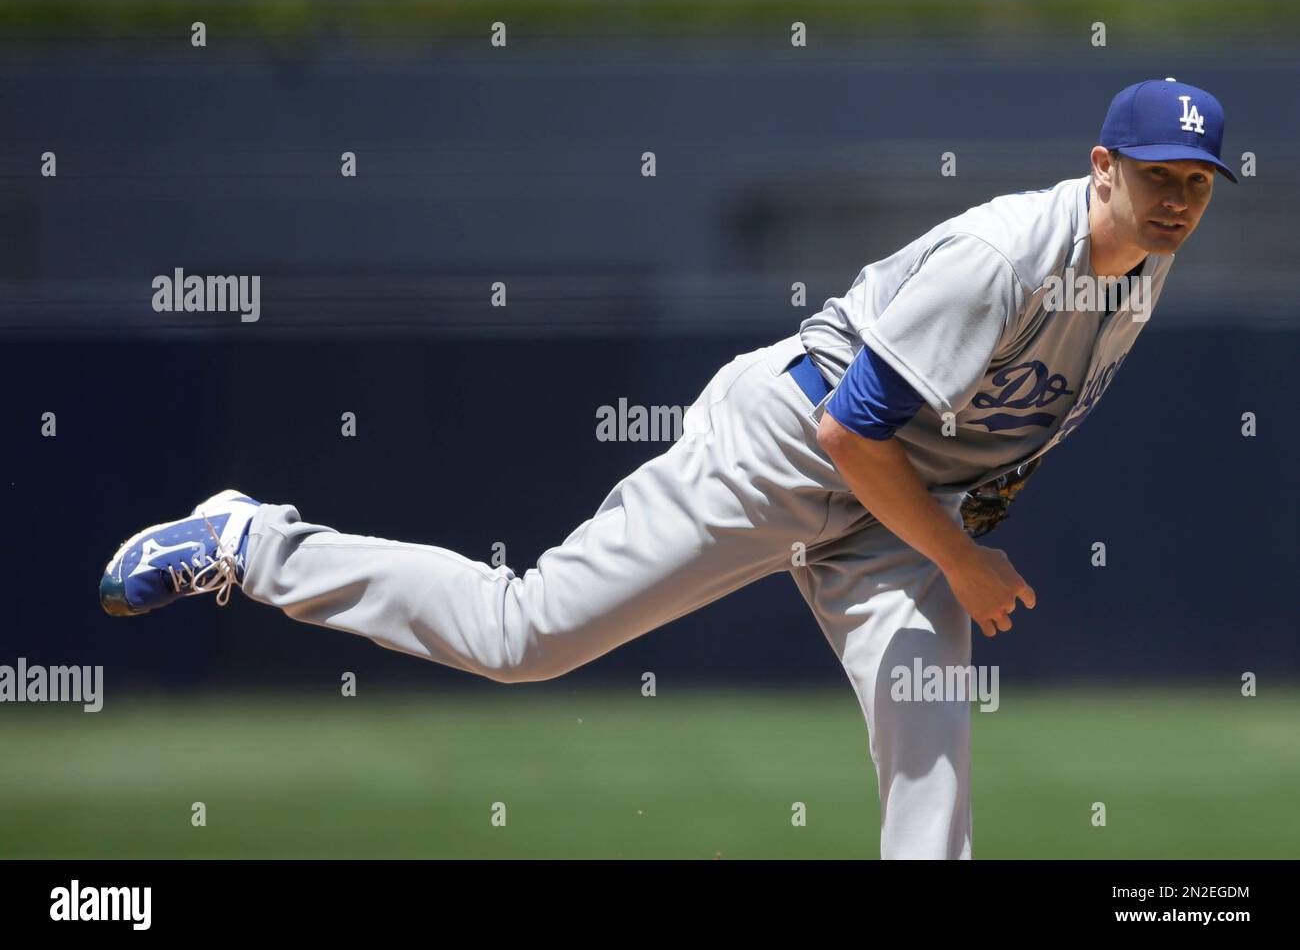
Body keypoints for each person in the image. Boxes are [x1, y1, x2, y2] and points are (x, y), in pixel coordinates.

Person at [99, 78, 1235, 859]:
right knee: (522, 636)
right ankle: (252, 541)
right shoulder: (1000, 255)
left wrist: (959, 521)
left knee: (927, 724)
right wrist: (963, 559)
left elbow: (999, 419)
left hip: (901, 507)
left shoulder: (1139, 264)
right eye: (1158, 173)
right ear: (1100, 166)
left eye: (1197, 178)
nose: (1179, 195)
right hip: (782, 450)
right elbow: (850, 429)